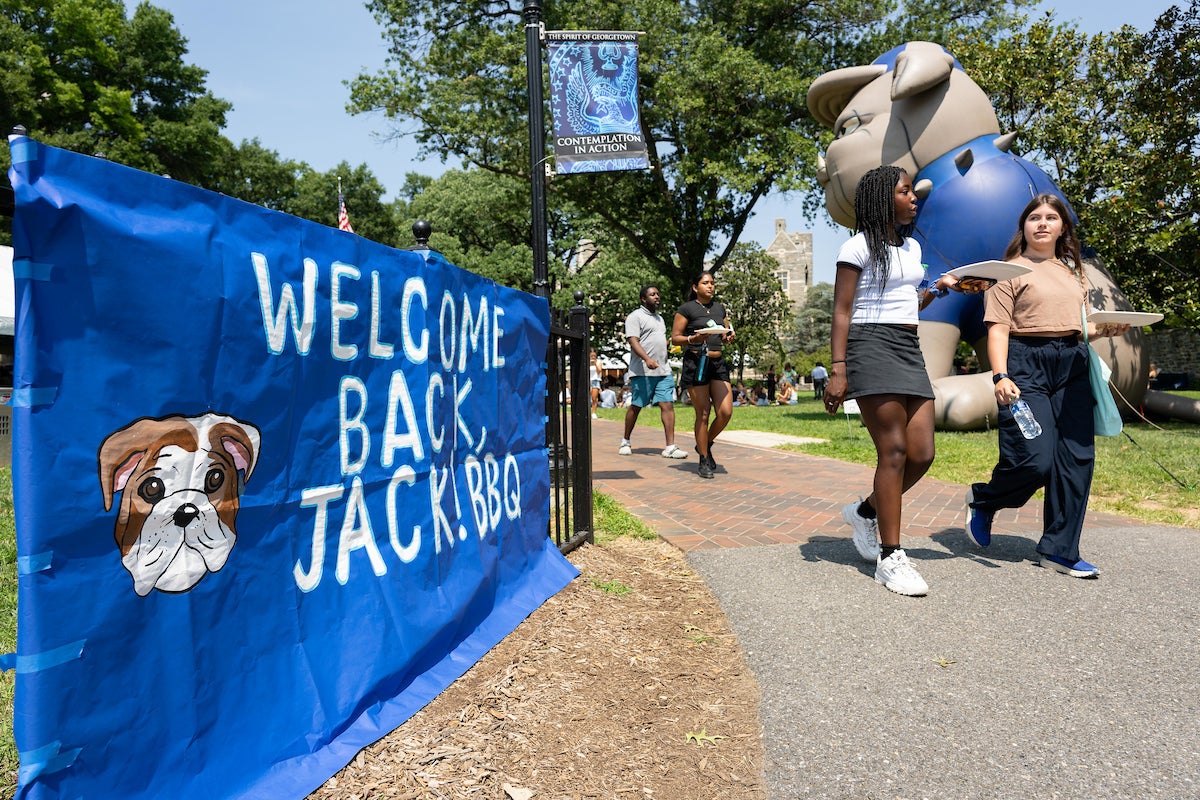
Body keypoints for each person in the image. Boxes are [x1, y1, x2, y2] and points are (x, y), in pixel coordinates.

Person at [964, 193, 1129, 578]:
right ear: (1023, 227)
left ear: (1062, 228)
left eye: (1050, 218)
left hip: (1072, 364)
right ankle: (985, 499)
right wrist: (1000, 375)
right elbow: (998, 329)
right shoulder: (1006, 271)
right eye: (1034, 217)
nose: (1042, 223)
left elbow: (1084, 326)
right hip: (1025, 365)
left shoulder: (1074, 273)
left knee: (1076, 458)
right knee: (1035, 458)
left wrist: (1110, 326)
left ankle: (1059, 550)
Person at [824, 165, 970, 596]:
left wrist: (938, 289)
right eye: (906, 191)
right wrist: (838, 368)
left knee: (922, 453)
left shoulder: (909, 248)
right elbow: (842, 311)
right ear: (882, 198)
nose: (914, 198)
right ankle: (890, 557)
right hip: (869, 345)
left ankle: (866, 510)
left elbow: (906, 302)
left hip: (908, 347)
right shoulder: (856, 247)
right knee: (893, 451)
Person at [671, 271, 735, 479]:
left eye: (712, 283)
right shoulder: (686, 309)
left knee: (725, 412)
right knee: (704, 413)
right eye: (705, 283)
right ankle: (704, 459)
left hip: (717, 363)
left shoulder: (719, 308)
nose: (710, 286)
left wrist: (728, 336)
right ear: (695, 287)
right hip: (696, 362)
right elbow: (675, 338)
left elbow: (724, 331)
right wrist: (693, 339)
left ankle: (704, 444)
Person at [619, 285, 689, 459]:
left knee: (667, 405)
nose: (657, 297)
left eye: (658, 294)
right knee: (636, 405)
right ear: (644, 299)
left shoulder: (660, 319)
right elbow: (633, 341)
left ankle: (670, 447)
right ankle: (625, 441)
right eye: (653, 295)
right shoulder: (635, 317)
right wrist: (647, 359)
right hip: (642, 370)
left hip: (663, 370)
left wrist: (670, 343)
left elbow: (657, 341)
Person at [589, 349, 602, 419]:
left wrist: (595, 364)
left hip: (595, 380)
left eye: (594, 355)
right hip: (588, 380)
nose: (593, 357)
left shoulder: (599, 361)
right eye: (591, 355)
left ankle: (593, 412)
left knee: (594, 398)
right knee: (587, 397)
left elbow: (599, 371)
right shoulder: (586, 361)